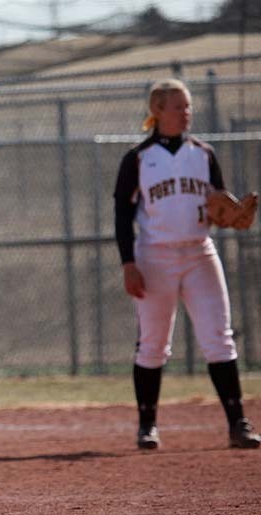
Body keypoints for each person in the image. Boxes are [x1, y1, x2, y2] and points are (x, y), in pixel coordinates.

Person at [113, 78, 260, 451]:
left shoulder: (203, 154)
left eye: (188, 106)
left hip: (199, 254)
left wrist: (231, 216)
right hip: (155, 255)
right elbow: (121, 213)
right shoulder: (139, 158)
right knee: (153, 344)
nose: (186, 112)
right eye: (178, 106)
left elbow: (217, 205)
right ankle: (147, 426)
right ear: (157, 111)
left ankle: (237, 424)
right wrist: (128, 263)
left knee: (218, 337)